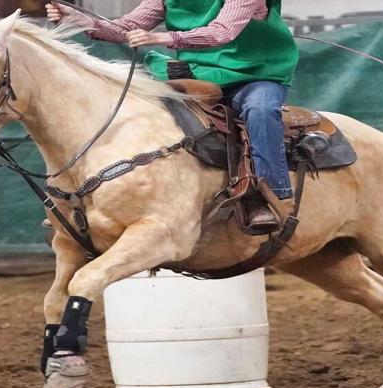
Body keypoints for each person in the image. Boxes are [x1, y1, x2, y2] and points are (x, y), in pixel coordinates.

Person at [47, 1, 299, 234]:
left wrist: (161, 37)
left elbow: (222, 32)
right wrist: (80, 20)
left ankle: (270, 195)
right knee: (142, 110)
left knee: (261, 110)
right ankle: (104, 197)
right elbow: (126, 27)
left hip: (257, 74)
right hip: (200, 73)